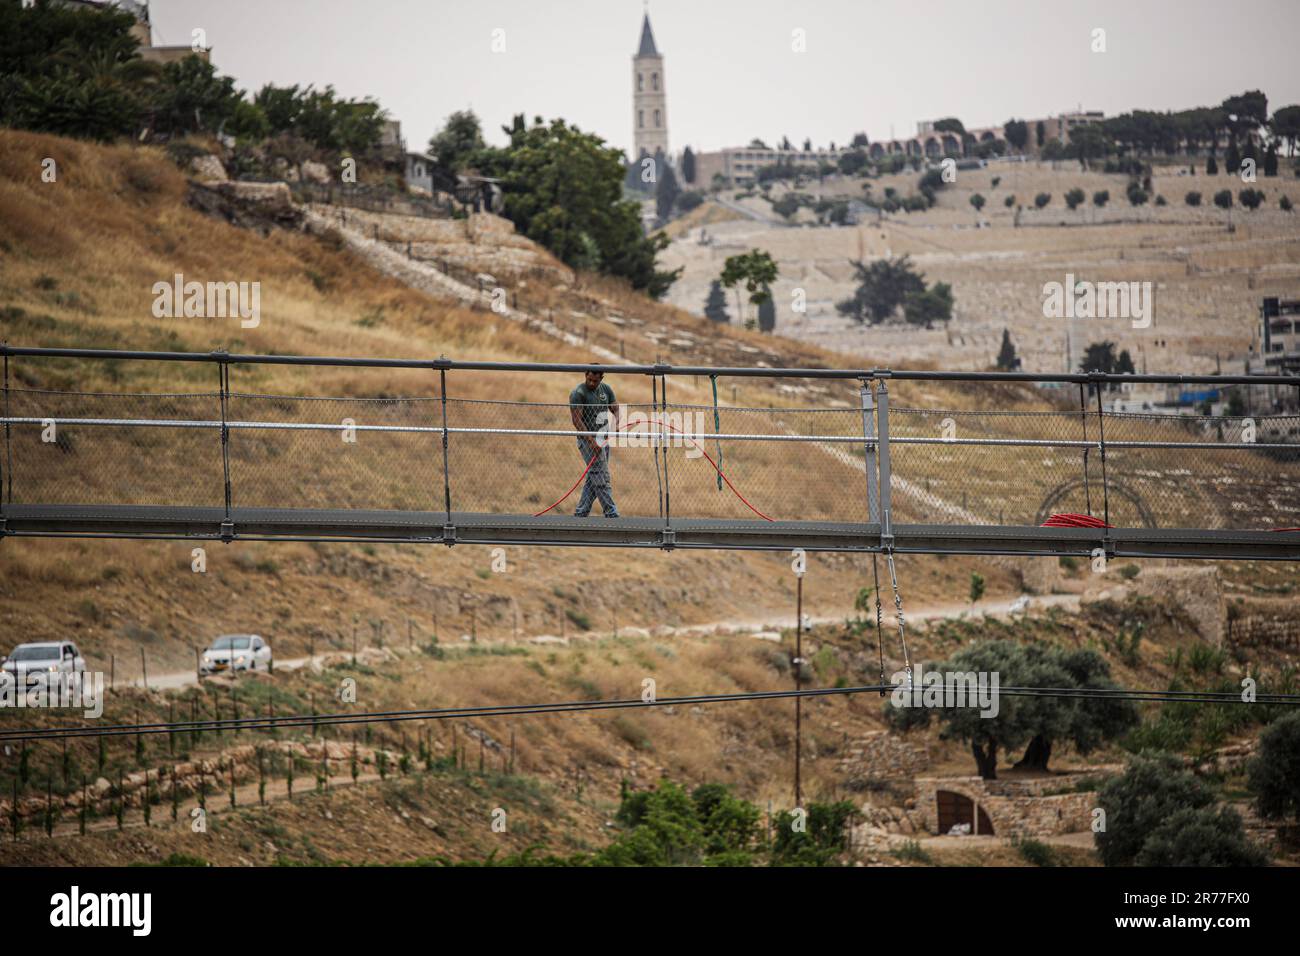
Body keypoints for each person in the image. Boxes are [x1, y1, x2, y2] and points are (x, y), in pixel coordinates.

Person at [568, 368, 620, 518]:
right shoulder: (578, 393)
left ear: (601, 379)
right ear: (585, 375)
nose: (591, 383)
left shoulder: (606, 390)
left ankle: (581, 512)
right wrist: (591, 442)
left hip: (603, 439)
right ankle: (611, 513)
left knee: (594, 476)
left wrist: (616, 424)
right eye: (589, 379)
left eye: (595, 381)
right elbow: (576, 421)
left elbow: (615, 408)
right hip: (587, 441)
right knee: (601, 476)